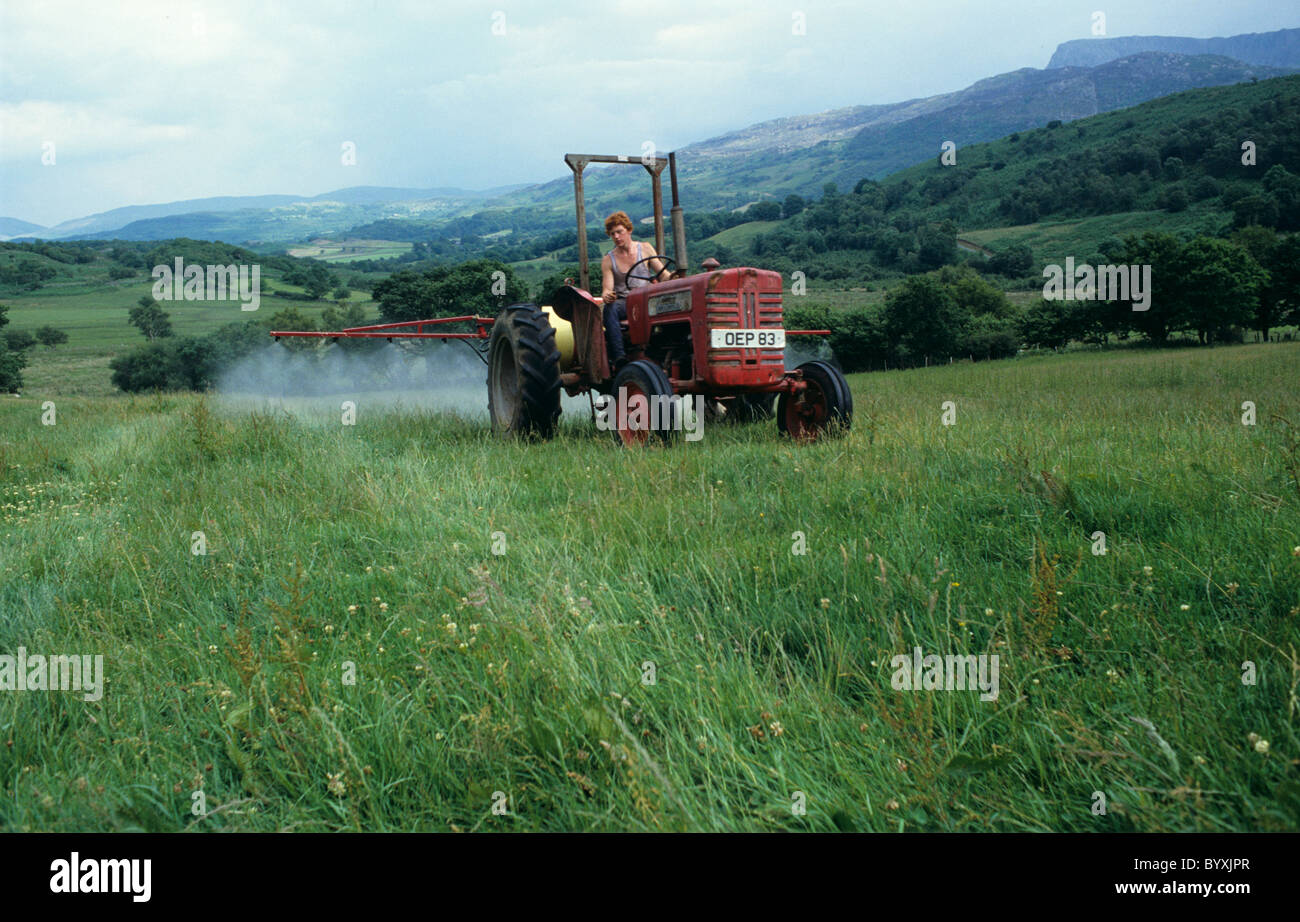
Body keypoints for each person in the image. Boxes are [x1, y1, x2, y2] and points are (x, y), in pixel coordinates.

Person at [600, 211, 669, 371]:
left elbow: (663, 275)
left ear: (629, 230)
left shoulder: (645, 248)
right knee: (610, 309)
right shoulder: (609, 260)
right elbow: (607, 289)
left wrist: (674, 277)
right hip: (626, 303)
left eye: (619, 232)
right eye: (612, 234)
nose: (616, 237)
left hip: (649, 300)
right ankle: (619, 357)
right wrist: (607, 295)